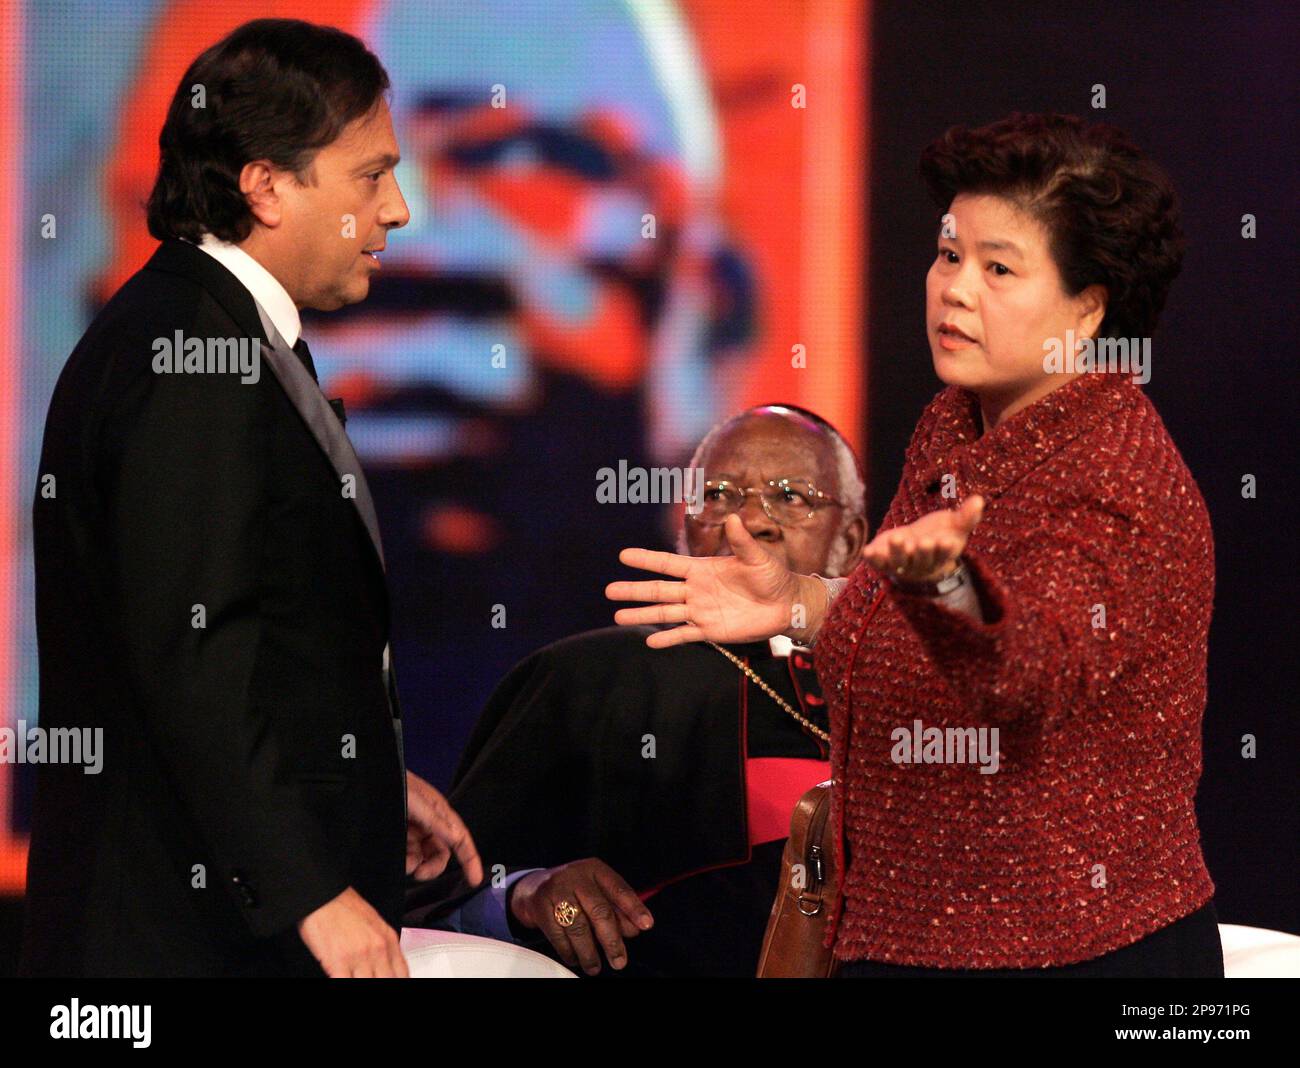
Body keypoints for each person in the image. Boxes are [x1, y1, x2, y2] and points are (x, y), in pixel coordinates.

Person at [608, 113, 1223, 977]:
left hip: (1072, 958)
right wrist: (797, 601)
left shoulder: (1113, 473)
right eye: (948, 255)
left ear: (1087, 309)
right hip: (909, 943)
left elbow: (1026, 669)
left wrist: (950, 593)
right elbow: (887, 624)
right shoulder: (955, 425)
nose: (955, 289)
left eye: (998, 268)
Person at [22, 18, 480, 978]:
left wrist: (364, 782)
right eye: (370, 174)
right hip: (174, 947)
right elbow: (193, 653)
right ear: (266, 186)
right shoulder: (194, 355)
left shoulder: (215, 334)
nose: (399, 209)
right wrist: (307, 889)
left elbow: (264, 646)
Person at [405, 405, 867, 976]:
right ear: (684, 525)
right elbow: (432, 890)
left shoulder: (908, 688)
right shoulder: (587, 675)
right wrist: (527, 893)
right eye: (719, 494)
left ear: (851, 540)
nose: (749, 521)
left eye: (791, 497)